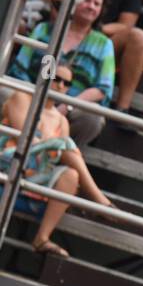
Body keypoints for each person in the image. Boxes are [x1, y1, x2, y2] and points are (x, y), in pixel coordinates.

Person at [0, 69, 115, 257]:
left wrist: (54, 148)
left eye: (66, 83)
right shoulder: (22, 97)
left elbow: (54, 155)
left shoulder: (62, 121)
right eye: (56, 79)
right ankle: (98, 199)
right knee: (66, 145)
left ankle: (42, 238)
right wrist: (55, 145)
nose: (60, 85)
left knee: (71, 175)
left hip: (38, 171)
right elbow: (26, 137)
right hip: (10, 159)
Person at [7, 0, 115, 145]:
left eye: (97, 4)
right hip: (31, 95)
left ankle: (52, 153)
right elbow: (19, 67)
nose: (91, 6)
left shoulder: (104, 44)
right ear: (74, 3)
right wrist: (38, 98)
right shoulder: (45, 30)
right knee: (5, 92)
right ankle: (29, 146)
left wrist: (67, 105)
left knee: (93, 120)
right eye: (87, 1)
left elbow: (103, 89)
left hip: (72, 106)